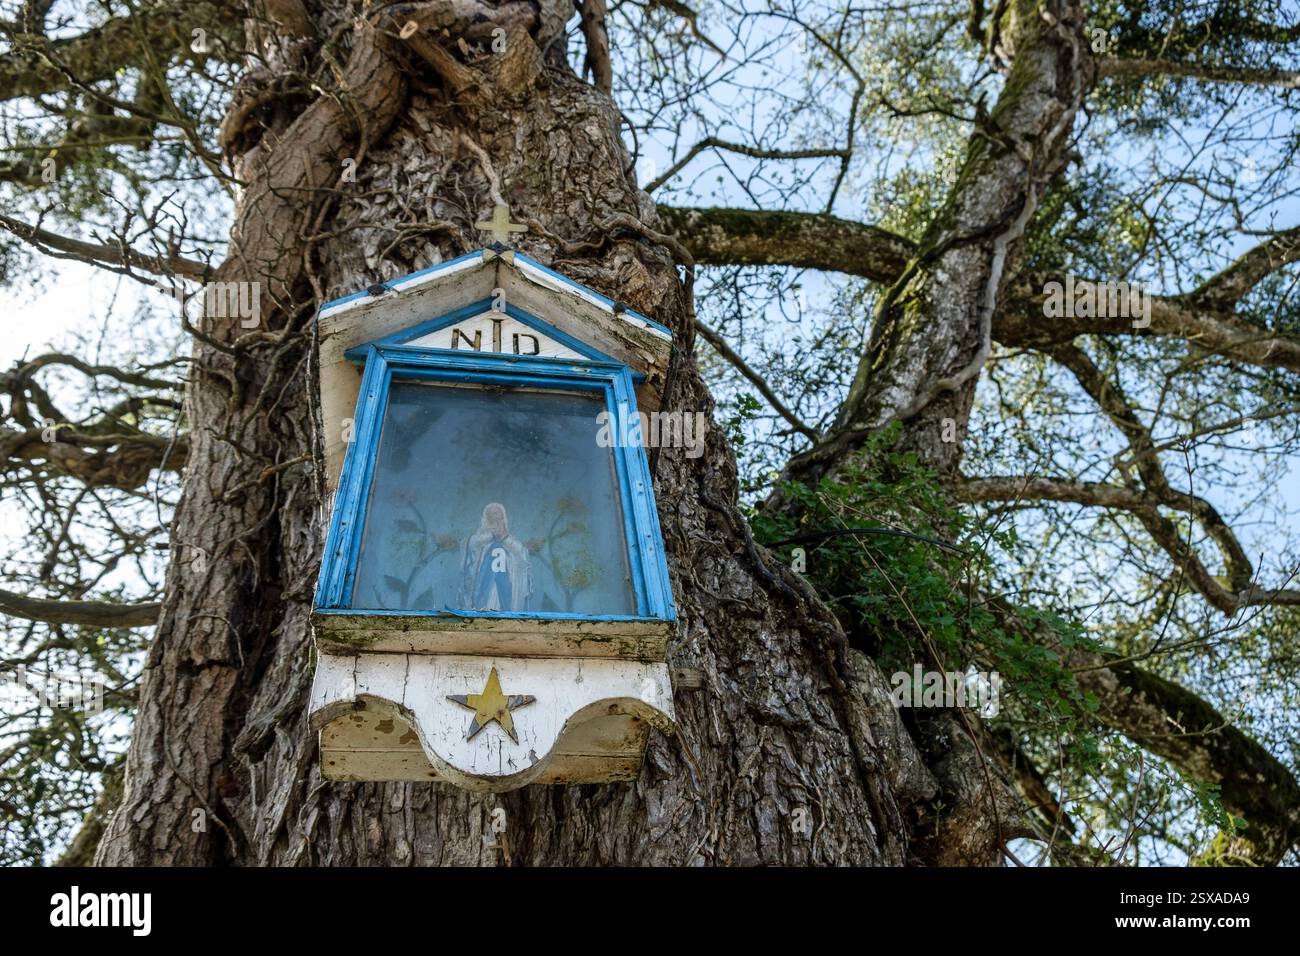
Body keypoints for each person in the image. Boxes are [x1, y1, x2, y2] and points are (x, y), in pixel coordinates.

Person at [459, 502, 531, 612]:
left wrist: (504, 538)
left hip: (504, 595)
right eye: (492, 519)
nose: (496, 522)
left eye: (499, 518)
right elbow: (472, 545)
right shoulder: (478, 540)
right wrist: (491, 535)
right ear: (486, 520)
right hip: (483, 595)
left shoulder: (511, 542)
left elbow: (521, 555)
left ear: (504, 519)